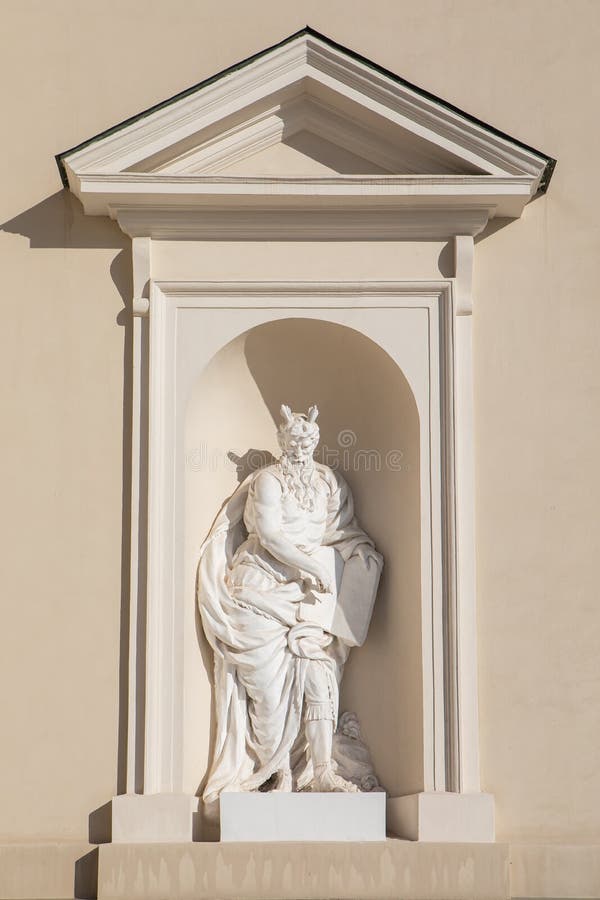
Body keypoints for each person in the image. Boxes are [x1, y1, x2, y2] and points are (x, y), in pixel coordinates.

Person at [197, 404, 382, 802]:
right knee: (266, 696)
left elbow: (340, 531)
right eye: (293, 442)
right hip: (260, 590)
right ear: (282, 442)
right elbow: (268, 534)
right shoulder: (268, 481)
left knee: (318, 675)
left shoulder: (329, 482)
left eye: (307, 442)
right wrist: (308, 568)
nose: (300, 449)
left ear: (315, 442)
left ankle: (321, 771)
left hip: (308, 598)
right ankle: (272, 771)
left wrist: (358, 558)